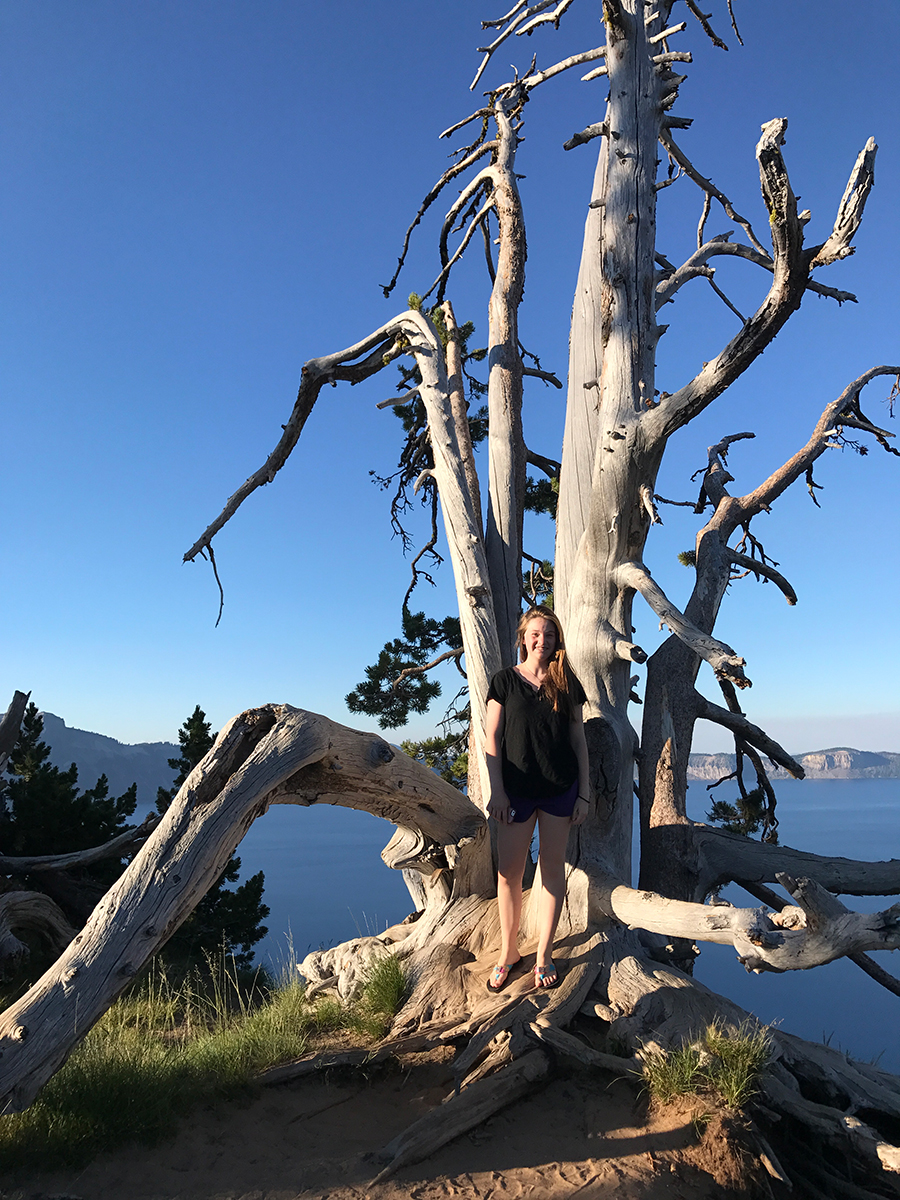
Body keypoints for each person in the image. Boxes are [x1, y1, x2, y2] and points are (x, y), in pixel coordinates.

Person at [484, 605, 590, 991]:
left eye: (548, 634)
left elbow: (578, 740)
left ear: (556, 639)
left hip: (560, 790)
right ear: (522, 637)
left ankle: (543, 954)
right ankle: (508, 953)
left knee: (551, 873)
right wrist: (496, 790)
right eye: (534, 633)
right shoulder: (504, 682)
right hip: (514, 791)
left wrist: (585, 794)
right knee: (508, 876)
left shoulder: (566, 681)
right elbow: (491, 738)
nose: (541, 640)